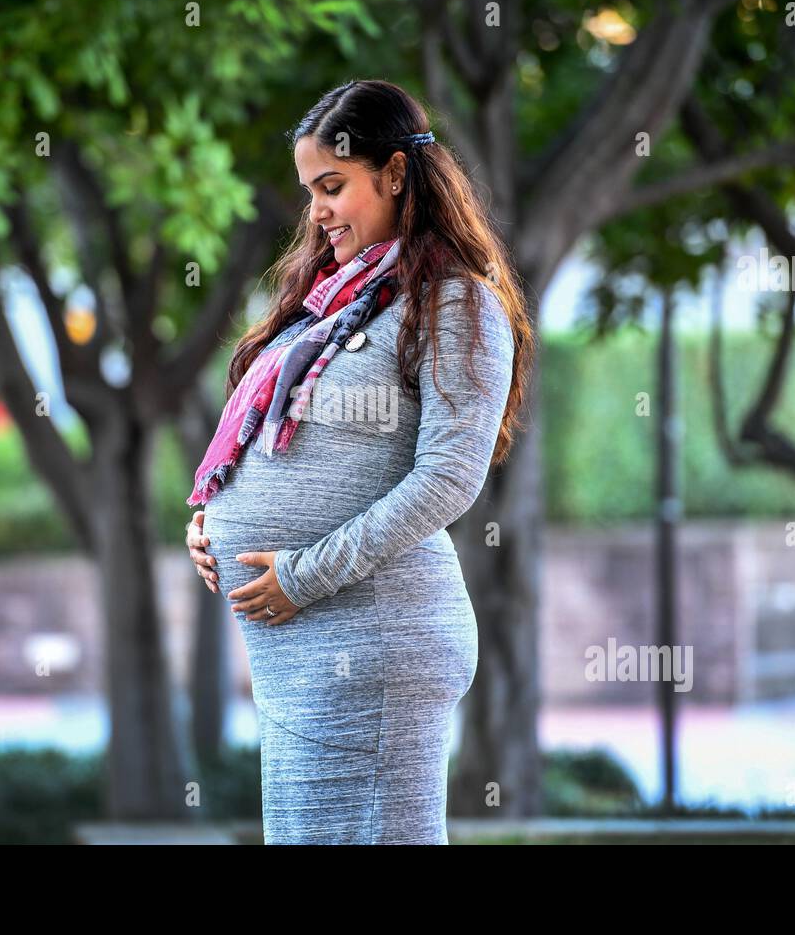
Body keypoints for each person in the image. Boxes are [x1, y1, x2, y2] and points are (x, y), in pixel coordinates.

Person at [183, 79, 534, 844]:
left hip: (375, 641)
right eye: (311, 191)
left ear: (398, 175)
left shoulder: (454, 302)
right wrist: (211, 520)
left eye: (333, 186)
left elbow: (449, 477)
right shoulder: (333, 303)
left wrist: (303, 574)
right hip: (299, 649)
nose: (318, 211)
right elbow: (267, 444)